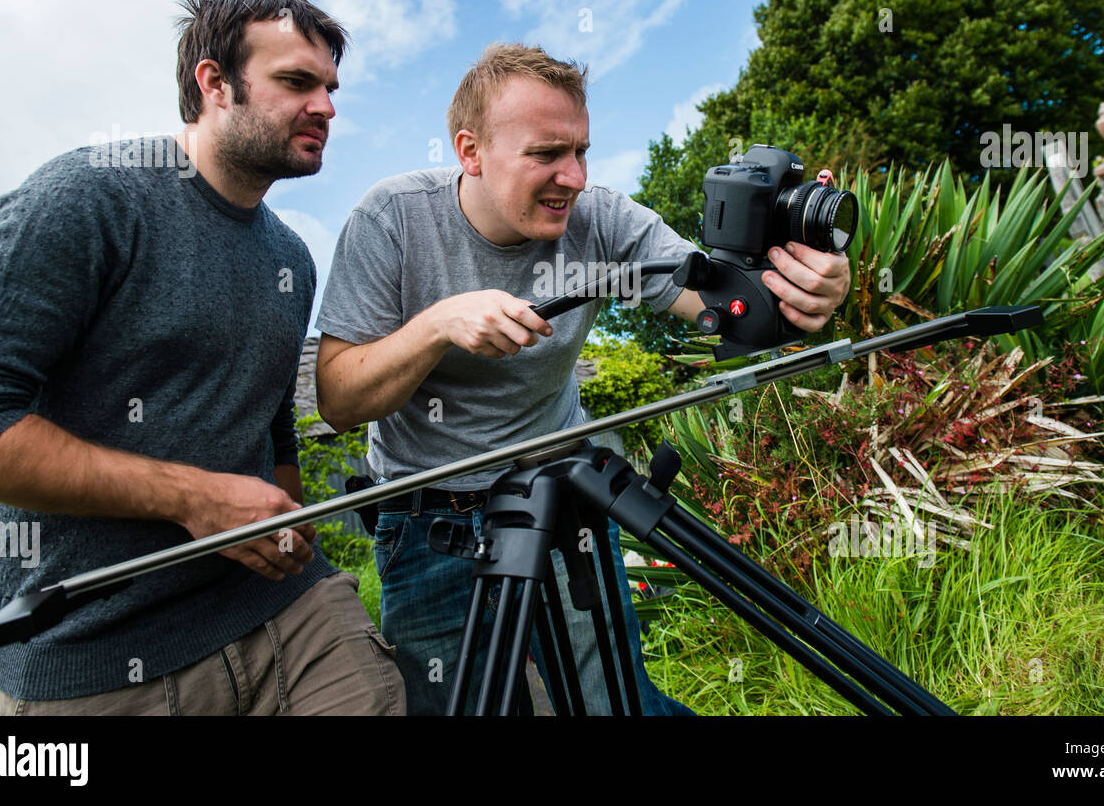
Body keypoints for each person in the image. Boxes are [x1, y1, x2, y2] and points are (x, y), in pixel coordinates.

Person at [315, 43, 851, 715]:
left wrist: (806, 287)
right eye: (545, 153)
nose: (572, 177)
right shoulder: (390, 220)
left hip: (562, 499)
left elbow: (726, 312)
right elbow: (337, 399)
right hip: (428, 524)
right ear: (470, 151)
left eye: (582, 151)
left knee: (610, 706)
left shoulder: (600, 219)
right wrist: (437, 325)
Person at [0, 0, 404, 715]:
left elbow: (271, 413)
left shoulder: (290, 257)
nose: (326, 107)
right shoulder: (86, 201)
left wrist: (279, 518)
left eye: (330, 87)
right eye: (295, 82)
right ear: (213, 83)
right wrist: (193, 497)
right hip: (87, 657)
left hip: (283, 614)